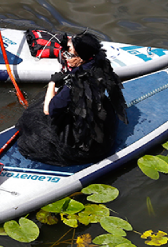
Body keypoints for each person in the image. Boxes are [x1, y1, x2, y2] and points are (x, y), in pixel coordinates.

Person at [16, 32, 128, 166]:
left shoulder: (74, 85)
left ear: (81, 58)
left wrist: (52, 82)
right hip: (99, 120)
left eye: (69, 54)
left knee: (38, 113)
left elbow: (48, 110)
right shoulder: (99, 64)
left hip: (81, 145)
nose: (65, 56)